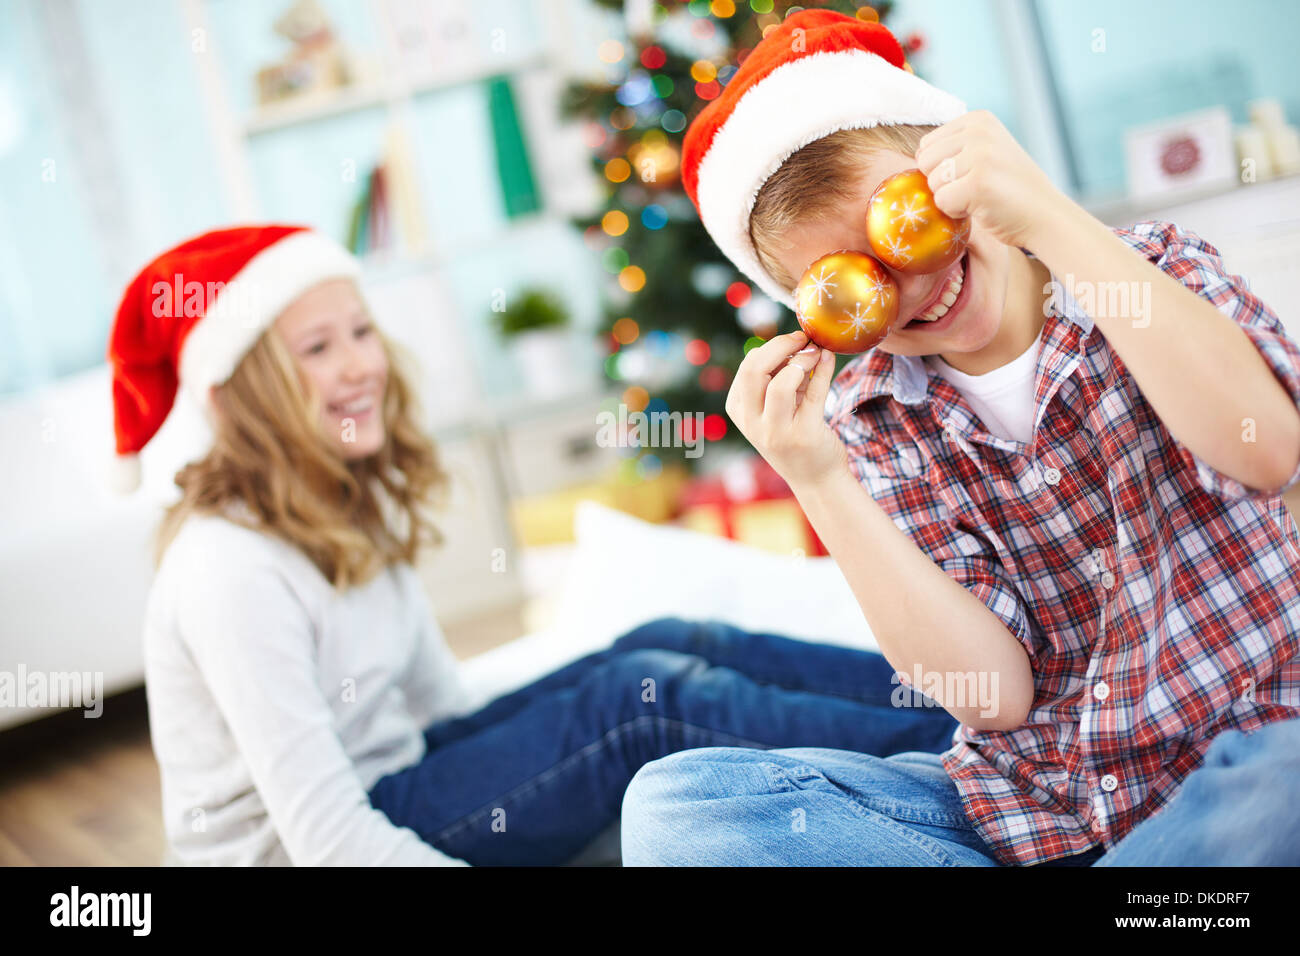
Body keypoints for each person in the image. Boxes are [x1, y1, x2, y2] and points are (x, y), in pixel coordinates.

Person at [619, 9, 1300, 866]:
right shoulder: (874, 418)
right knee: (680, 808)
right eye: (852, 287)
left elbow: (1269, 450)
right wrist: (817, 476)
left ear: (959, 166)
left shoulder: (1151, 269)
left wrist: (1047, 215)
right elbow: (996, 696)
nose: (910, 287)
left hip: (1245, 759)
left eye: (904, 223)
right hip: (1040, 810)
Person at [112, 224, 958, 866]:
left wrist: (550, 726)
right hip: (320, 846)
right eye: (318, 348)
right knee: (639, 699)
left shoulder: (342, 494)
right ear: (242, 394)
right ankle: (957, 775)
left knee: (669, 641)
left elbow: (441, 713)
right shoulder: (229, 568)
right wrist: (581, 723)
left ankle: (955, 708)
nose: (360, 365)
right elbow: (328, 837)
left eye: (361, 332)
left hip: (401, 780)